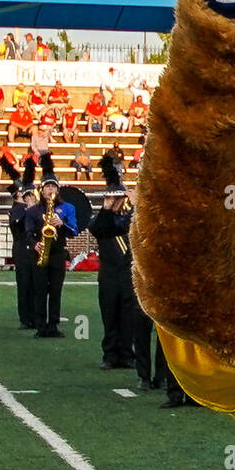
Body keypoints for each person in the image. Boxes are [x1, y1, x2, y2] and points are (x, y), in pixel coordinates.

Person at [90, 156, 139, 371]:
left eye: (118, 197)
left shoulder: (131, 217)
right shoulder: (104, 219)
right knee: (109, 313)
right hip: (109, 273)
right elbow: (97, 229)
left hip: (127, 273)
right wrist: (107, 207)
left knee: (127, 315)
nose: (116, 200)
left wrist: (134, 204)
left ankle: (127, 354)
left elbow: (135, 225)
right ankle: (110, 354)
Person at [23, 154, 79, 337]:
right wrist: (35, 244)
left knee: (56, 291)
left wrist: (61, 224)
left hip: (57, 253)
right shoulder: (33, 211)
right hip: (39, 253)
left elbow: (74, 230)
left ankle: (53, 325)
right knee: (39, 291)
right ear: (42, 189)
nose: (50, 189)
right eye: (47, 186)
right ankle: (40, 326)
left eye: (53, 186)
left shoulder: (67, 208)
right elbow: (28, 232)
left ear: (58, 188)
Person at [5, 158, 38, 330]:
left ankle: (37, 316)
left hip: (35, 249)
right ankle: (26, 318)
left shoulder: (33, 207)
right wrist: (31, 208)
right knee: (24, 284)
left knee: (36, 285)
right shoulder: (16, 210)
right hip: (22, 250)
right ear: (18, 195)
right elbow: (19, 224)